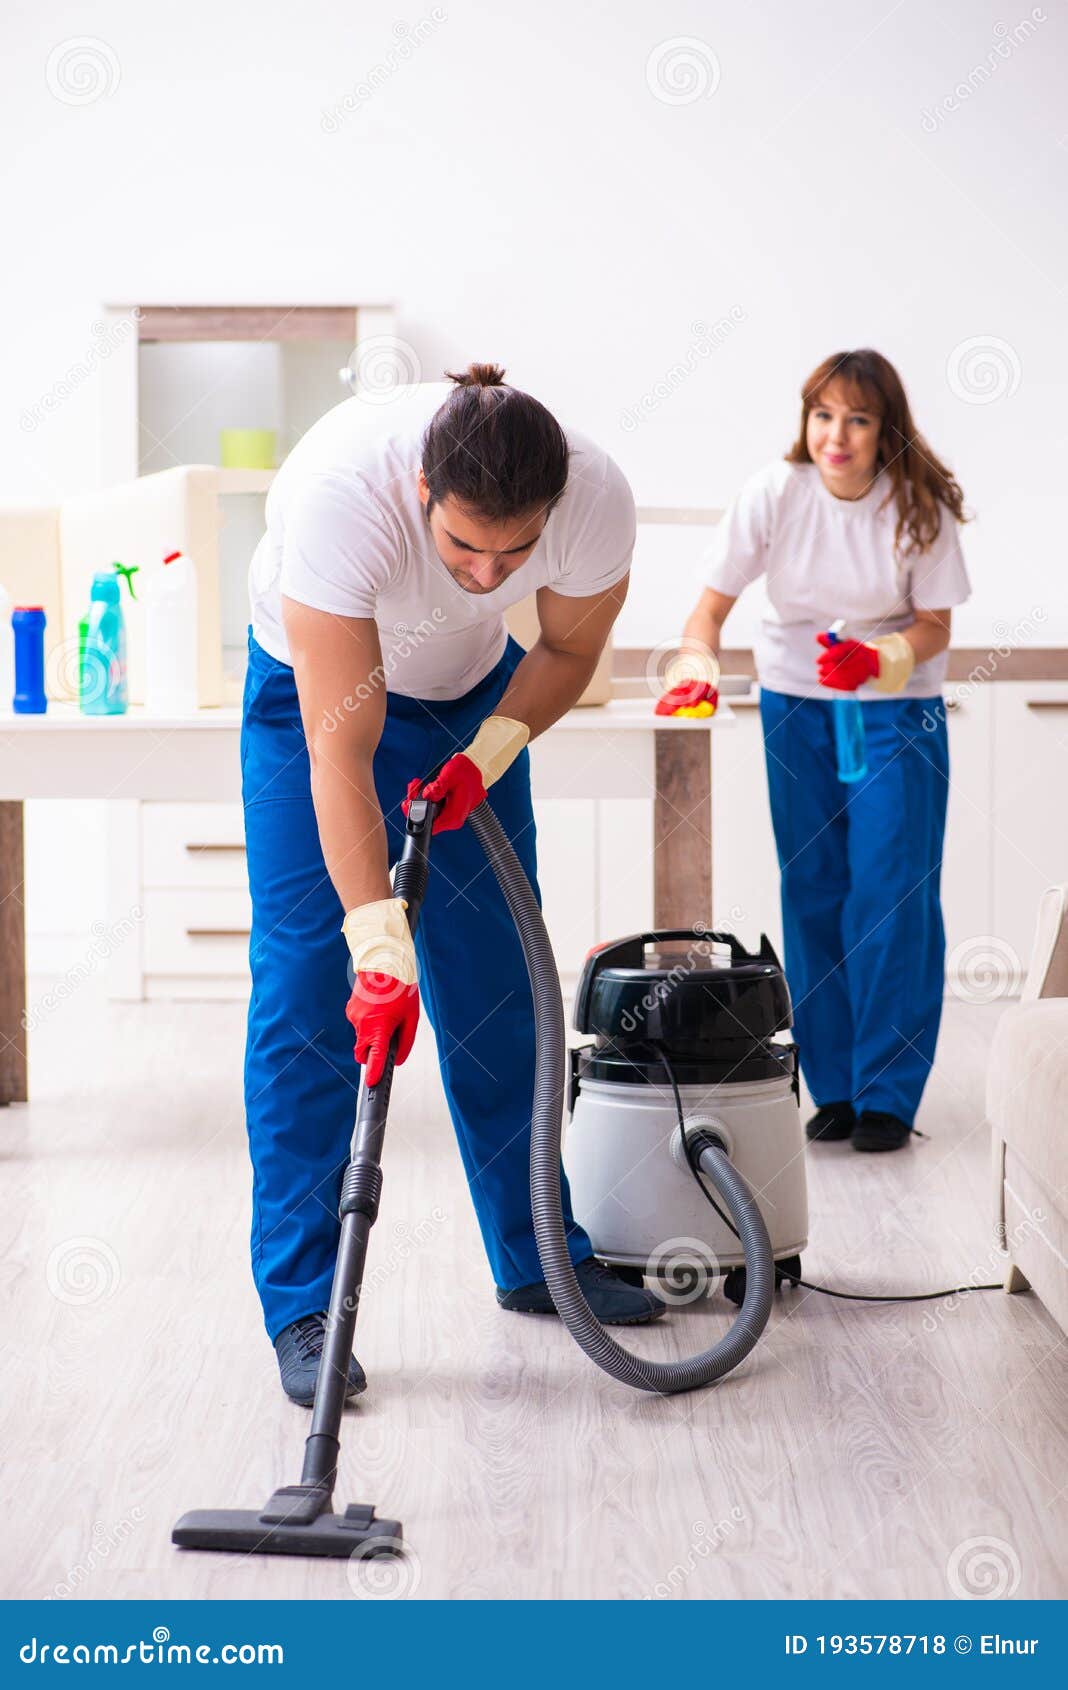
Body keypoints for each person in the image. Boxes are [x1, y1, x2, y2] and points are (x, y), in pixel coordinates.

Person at [243, 362, 664, 1405]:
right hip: (318, 701)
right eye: (465, 546)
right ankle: (307, 1309)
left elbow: (567, 644)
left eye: (513, 552)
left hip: (470, 699)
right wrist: (378, 947)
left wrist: (495, 746)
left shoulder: (595, 498)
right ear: (423, 491)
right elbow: (341, 758)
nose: (487, 575)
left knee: (499, 995)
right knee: (310, 999)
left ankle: (538, 1258)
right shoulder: (349, 497)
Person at [673, 349, 970, 1154]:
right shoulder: (776, 493)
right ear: (806, 419)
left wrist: (881, 660)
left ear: (886, 431)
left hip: (895, 713)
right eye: (824, 414)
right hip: (795, 706)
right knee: (812, 889)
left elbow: (937, 625)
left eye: (859, 419)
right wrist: (697, 671)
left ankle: (886, 1094)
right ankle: (835, 1086)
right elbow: (708, 612)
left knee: (891, 895)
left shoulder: (918, 507)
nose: (837, 434)